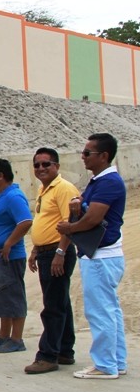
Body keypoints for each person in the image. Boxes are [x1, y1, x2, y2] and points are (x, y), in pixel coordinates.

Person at [57, 133, 127, 379]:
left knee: (100, 311)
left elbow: (94, 218)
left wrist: (70, 228)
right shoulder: (99, 181)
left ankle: (105, 365)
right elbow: (84, 206)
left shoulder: (108, 183)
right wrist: (78, 205)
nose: (83, 157)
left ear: (104, 156)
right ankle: (115, 361)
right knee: (110, 310)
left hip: (101, 256)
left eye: (88, 153)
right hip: (102, 256)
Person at [24, 148, 80, 374]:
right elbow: (44, 220)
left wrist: (60, 252)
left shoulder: (64, 188)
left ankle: (47, 356)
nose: (40, 169)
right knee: (60, 302)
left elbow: (69, 222)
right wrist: (36, 248)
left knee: (52, 307)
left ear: (56, 165)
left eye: (46, 164)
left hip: (58, 253)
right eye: (37, 165)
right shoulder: (43, 189)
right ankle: (65, 350)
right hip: (46, 252)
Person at [0, 158, 33, 354]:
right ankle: (3, 335)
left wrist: (9, 243)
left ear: (1, 176)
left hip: (8, 258)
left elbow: (26, 221)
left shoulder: (14, 197)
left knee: (13, 297)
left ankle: (17, 339)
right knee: (2, 298)